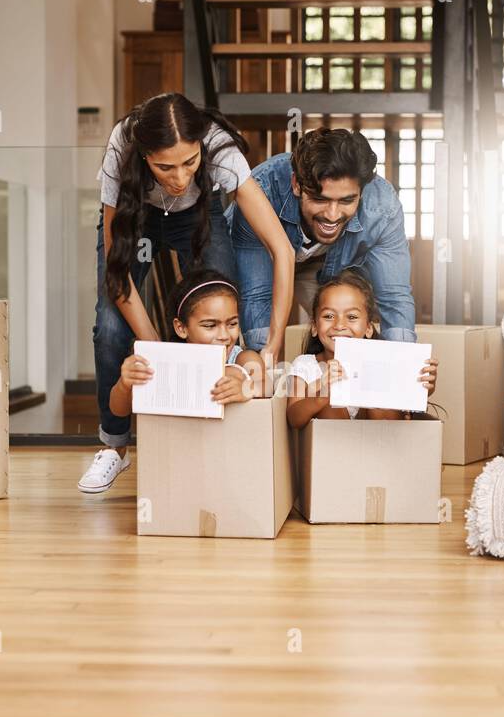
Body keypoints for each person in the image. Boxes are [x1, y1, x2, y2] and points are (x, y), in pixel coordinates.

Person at [79, 93, 294, 495]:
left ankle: (212, 432)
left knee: (218, 314)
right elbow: (117, 271)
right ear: (143, 156)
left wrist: (275, 342)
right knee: (109, 328)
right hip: (136, 217)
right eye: (165, 167)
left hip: (197, 217)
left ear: (202, 148)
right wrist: (160, 351)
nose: (179, 178)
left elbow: (281, 248)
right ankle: (114, 447)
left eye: (189, 163)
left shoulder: (220, 147)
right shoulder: (121, 144)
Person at [229, 127, 416, 358]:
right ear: (297, 185)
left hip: (322, 263)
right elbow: (257, 294)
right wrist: (262, 364)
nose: (332, 215)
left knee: (337, 326)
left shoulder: (382, 206)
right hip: (258, 259)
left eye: (347, 200)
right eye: (320, 199)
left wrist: (405, 366)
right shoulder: (262, 191)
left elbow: (394, 297)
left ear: (362, 191)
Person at [287, 269, 437, 430]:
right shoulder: (305, 365)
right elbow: (293, 419)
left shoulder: (384, 363)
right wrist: (321, 396)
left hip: (380, 445)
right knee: (330, 404)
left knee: (380, 394)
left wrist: (423, 388)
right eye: (329, 316)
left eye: (351, 317)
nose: (339, 325)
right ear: (315, 327)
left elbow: (405, 408)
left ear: (368, 328)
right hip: (331, 449)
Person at [109, 271, 264, 418]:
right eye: (210, 325)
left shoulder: (243, 359)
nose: (224, 336)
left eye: (232, 324)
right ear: (181, 328)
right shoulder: (164, 365)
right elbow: (119, 411)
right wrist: (125, 384)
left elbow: (266, 387)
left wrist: (247, 388)